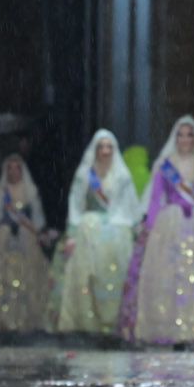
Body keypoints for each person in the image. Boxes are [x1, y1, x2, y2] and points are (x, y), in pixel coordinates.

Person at [119, 116, 194, 347]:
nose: (185, 139)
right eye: (181, 134)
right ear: (174, 138)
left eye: (190, 135)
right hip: (170, 226)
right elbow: (156, 199)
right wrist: (149, 228)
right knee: (169, 276)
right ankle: (172, 328)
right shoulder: (165, 165)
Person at [47, 129, 140, 335]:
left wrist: (129, 228)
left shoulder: (122, 175)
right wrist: (73, 232)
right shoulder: (85, 174)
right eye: (101, 147)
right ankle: (86, 321)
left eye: (109, 147)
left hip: (116, 229)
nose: (105, 151)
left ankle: (114, 321)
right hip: (89, 228)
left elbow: (129, 205)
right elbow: (76, 203)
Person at [0, 155, 48, 333]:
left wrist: (38, 232)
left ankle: (27, 317)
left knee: (29, 272)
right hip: (3, 236)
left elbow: (37, 218)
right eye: (10, 168)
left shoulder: (31, 191)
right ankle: (0, 317)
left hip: (26, 237)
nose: (13, 172)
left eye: (17, 168)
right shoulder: (0, 192)